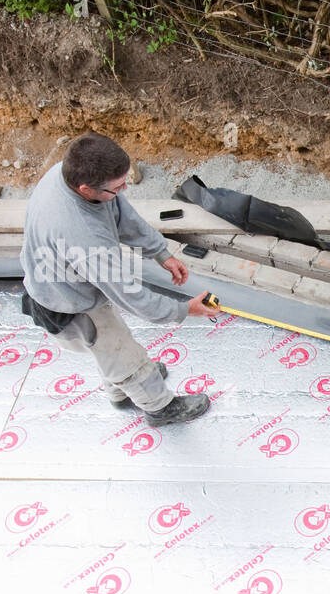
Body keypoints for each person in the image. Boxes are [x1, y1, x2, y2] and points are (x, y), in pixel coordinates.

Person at [19, 132, 215, 426]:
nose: (124, 189)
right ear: (85, 189)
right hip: (68, 304)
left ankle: (122, 390)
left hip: (65, 281)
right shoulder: (83, 237)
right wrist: (185, 310)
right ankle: (159, 407)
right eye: (117, 186)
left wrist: (161, 253)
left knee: (108, 348)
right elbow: (131, 295)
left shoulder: (65, 174)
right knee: (123, 355)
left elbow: (121, 213)